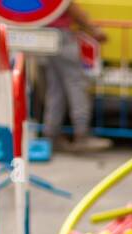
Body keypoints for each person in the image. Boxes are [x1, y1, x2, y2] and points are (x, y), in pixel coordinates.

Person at [41, 1, 112, 153]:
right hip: (62, 35)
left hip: (46, 34)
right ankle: (82, 135)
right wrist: (93, 30)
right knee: (77, 84)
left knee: (56, 88)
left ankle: (51, 136)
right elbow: (69, 5)